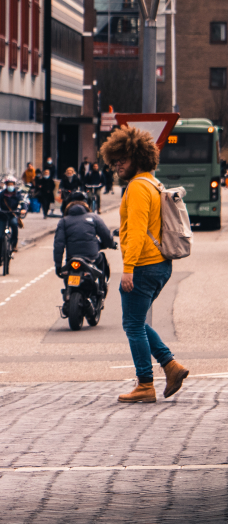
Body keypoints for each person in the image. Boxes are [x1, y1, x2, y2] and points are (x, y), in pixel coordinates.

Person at [100, 127, 189, 404]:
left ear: (137, 158)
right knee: (136, 321)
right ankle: (171, 367)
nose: (118, 165)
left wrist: (128, 268)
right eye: (115, 160)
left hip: (144, 265)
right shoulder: (153, 183)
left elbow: (138, 231)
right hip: (160, 264)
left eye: (123, 159)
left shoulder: (138, 187)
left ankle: (145, 384)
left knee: (133, 325)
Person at [53, 194, 116, 286]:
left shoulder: (64, 221)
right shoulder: (94, 217)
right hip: (91, 257)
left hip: (72, 258)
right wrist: (111, 244)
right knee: (101, 258)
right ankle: (102, 286)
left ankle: (68, 289)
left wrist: (58, 265)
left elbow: (59, 244)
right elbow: (106, 235)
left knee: (68, 272)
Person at [0, 176, 26, 268]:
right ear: (6, 185)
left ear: (14, 185)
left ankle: (14, 244)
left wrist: (23, 209)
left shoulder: (17, 194)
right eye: (8, 184)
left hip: (12, 215)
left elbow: (23, 203)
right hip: (2, 215)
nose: (10, 186)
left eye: (12, 184)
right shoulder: (2, 194)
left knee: (14, 225)